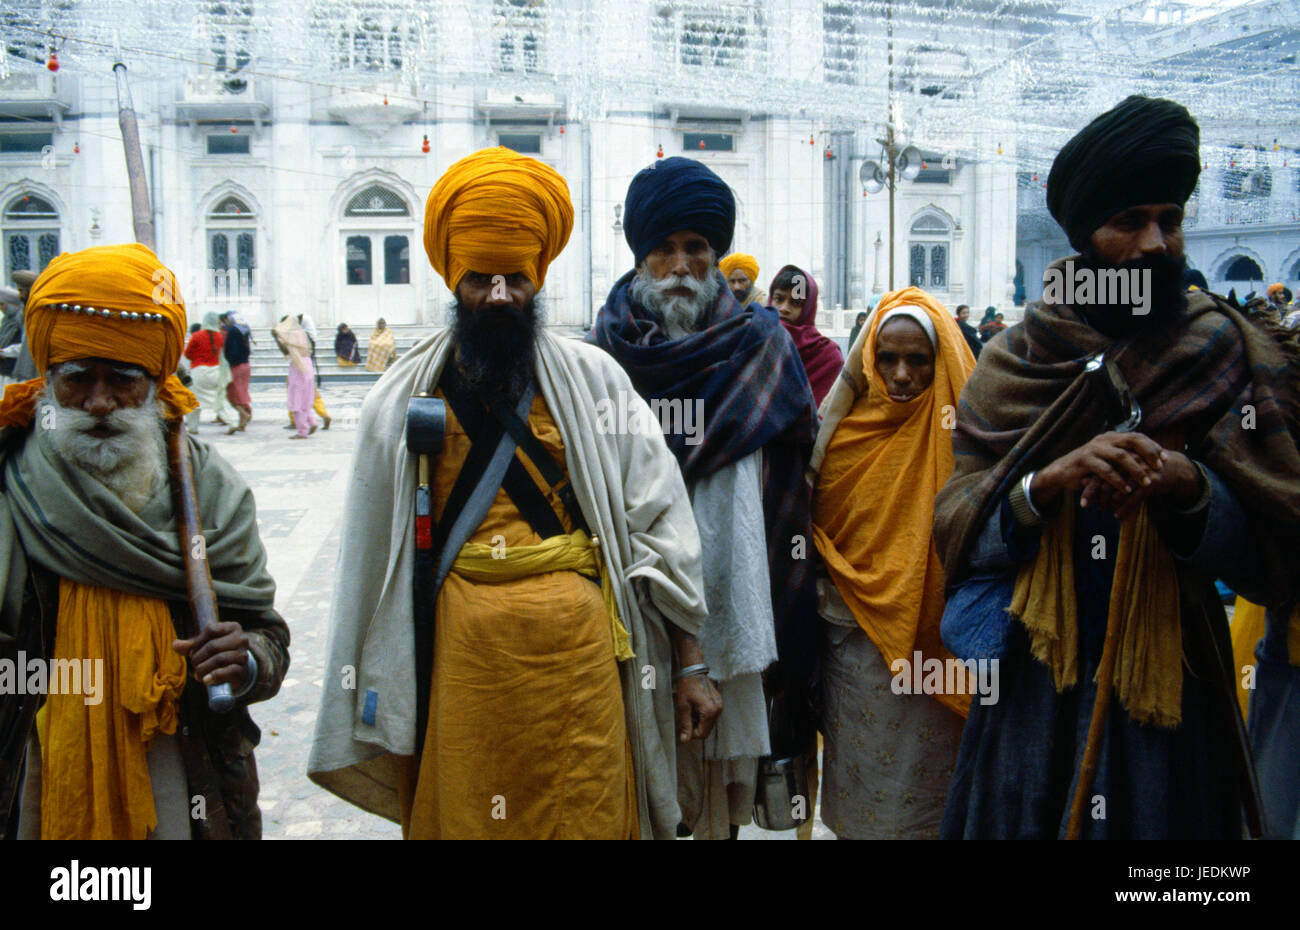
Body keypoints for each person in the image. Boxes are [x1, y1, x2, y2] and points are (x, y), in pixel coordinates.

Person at [308, 147, 714, 840]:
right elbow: (371, 564)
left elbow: (662, 528)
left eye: (514, 280)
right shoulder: (399, 397)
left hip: (582, 661)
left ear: (538, 278)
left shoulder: (596, 382)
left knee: (581, 812)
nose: (498, 296)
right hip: (463, 665)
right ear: (452, 279)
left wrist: (690, 665)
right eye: (480, 280)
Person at [935, 96, 1300, 840]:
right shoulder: (1014, 360)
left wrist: (1190, 489)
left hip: (1173, 689)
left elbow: (1278, 549)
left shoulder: (1223, 351)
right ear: (1083, 235)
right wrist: (1046, 485)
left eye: (1170, 219)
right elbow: (957, 528)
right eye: (1127, 221)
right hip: (1035, 691)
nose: (1154, 244)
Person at [0, 243, 288, 840]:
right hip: (38, 759)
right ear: (47, 379)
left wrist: (248, 657)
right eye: (78, 379)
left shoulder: (212, 489)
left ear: (156, 381)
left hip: (186, 765)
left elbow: (266, 634)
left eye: (124, 380)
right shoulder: (10, 483)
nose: (99, 402)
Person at [590, 156, 819, 840]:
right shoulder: (601, 356)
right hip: (632, 599)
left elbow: (795, 475)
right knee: (637, 764)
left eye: (697, 249)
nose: (681, 265)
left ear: (716, 257)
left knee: (721, 794)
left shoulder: (763, 346)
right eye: (663, 249)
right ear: (640, 257)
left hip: (733, 593)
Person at [811, 287, 976, 838]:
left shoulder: (969, 442)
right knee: (862, 793)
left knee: (927, 800)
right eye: (888, 358)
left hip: (939, 649)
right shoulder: (841, 438)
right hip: (855, 649)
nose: (901, 373)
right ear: (868, 360)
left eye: (918, 361)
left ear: (942, 362)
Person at [769, 264, 843, 407]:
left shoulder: (827, 355)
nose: (784, 308)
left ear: (808, 308)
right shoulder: (756, 340)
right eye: (779, 299)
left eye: (795, 303)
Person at [183, 312, 240, 427]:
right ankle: (233, 421)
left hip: (198, 372)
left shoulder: (196, 336)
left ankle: (193, 427)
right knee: (219, 398)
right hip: (216, 371)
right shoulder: (219, 337)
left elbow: (187, 354)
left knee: (193, 401)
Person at [272, 316, 318, 439]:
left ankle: (302, 431)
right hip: (307, 364)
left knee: (296, 400)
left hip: (298, 367)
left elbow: (286, 351)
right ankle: (312, 422)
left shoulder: (292, 336)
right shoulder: (303, 333)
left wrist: (276, 338)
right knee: (305, 399)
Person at [222, 310, 253, 433]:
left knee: (232, 394)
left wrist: (227, 360)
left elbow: (231, 351)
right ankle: (242, 422)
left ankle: (243, 414)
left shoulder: (233, 332)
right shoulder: (244, 331)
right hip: (246, 365)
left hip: (235, 366)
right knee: (242, 392)